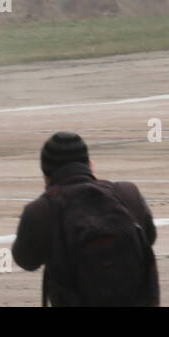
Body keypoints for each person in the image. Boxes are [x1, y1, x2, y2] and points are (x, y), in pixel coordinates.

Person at [12, 131, 158, 306]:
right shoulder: (127, 194)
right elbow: (149, 237)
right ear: (90, 164)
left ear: (45, 174)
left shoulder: (41, 211)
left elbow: (26, 261)